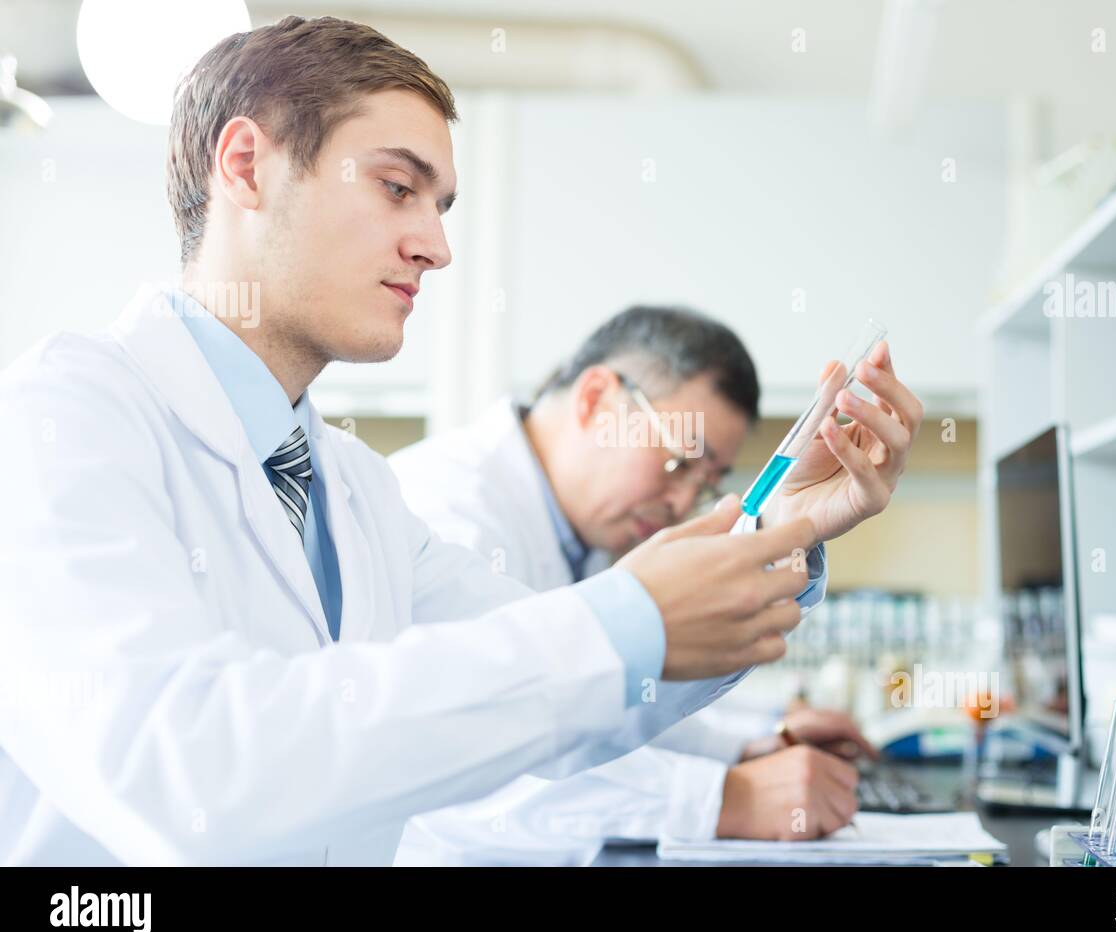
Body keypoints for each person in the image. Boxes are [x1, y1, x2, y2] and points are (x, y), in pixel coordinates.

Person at [0, 17, 917, 866]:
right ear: (245, 166)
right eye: (399, 188)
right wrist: (629, 618)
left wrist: (783, 531)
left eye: (440, 205)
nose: (436, 246)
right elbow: (181, 765)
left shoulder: (353, 488)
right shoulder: (70, 412)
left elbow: (564, 705)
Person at [390, 306, 902, 863]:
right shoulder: (449, 507)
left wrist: (752, 743)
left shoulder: (579, 538)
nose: (683, 503)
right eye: (681, 462)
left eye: (706, 483)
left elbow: (608, 703)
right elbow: (479, 759)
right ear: (595, 401)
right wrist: (725, 797)